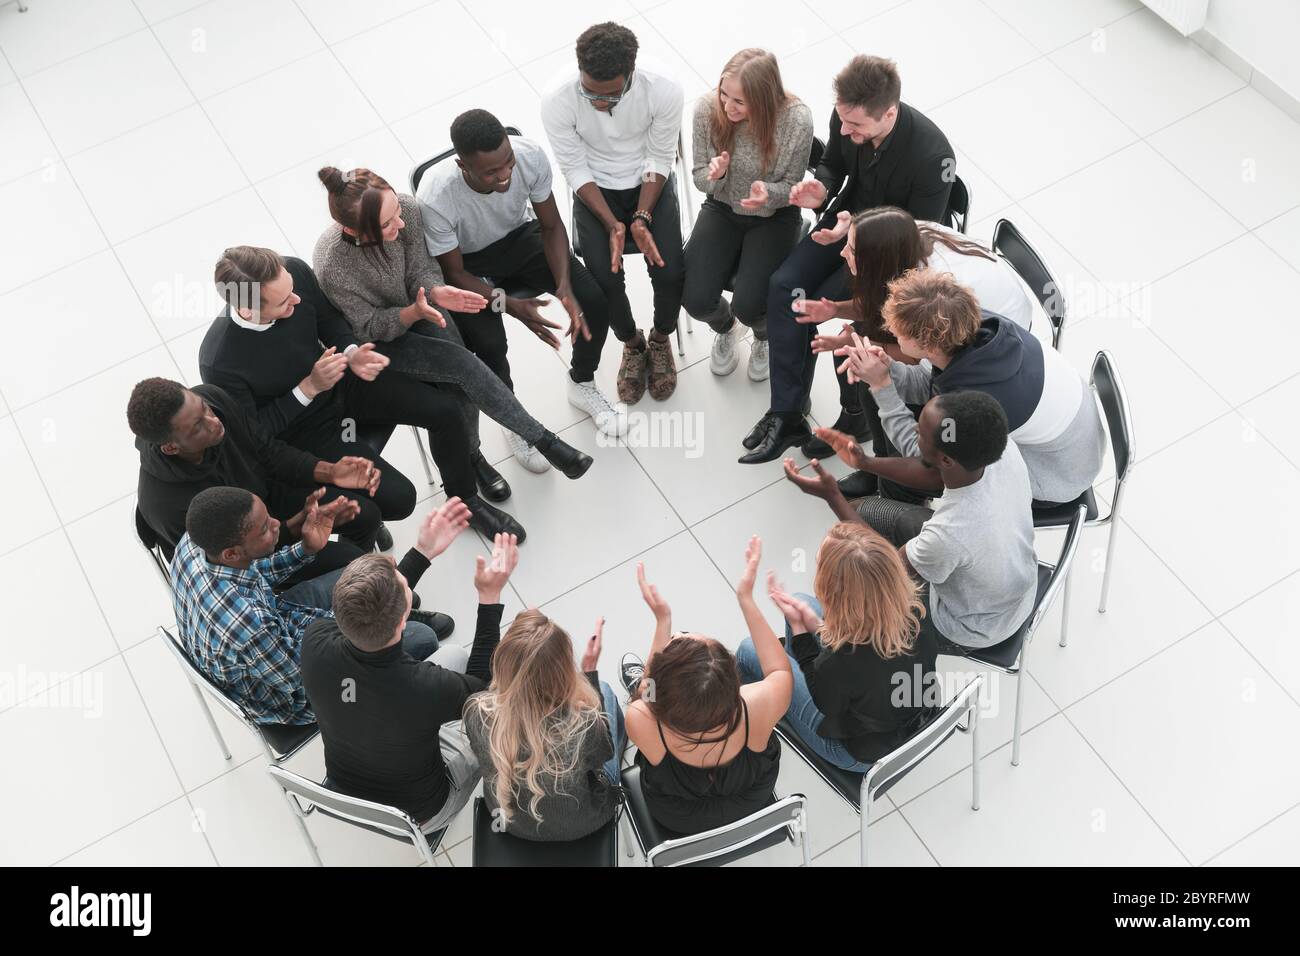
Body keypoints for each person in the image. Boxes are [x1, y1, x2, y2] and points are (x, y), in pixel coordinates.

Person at [201, 245, 523, 542]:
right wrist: (307, 388)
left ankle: (464, 502)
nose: (296, 301)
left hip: (343, 380)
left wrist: (352, 352)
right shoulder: (220, 361)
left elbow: (327, 318)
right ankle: (367, 525)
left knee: (446, 411)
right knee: (401, 500)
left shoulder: (294, 272)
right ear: (246, 309)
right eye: (284, 302)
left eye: (293, 291)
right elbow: (256, 437)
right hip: (304, 430)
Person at [312, 165, 592, 482]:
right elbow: (366, 327)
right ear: (354, 232)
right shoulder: (331, 263)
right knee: (460, 366)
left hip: (422, 305)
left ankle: (473, 456)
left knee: (458, 380)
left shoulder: (405, 209)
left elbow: (422, 269)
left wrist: (436, 291)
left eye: (398, 213)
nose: (400, 223)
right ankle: (538, 442)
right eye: (388, 224)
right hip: (378, 343)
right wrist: (412, 313)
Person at [740, 55, 955, 464]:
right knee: (785, 288)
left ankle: (854, 414)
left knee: (847, 321)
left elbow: (917, 234)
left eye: (855, 126)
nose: (843, 130)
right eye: (842, 120)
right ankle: (787, 413)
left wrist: (855, 231)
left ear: (889, 113)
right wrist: (820, 187)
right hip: (840, 222)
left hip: (888, 252)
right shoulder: (847, 115)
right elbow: (833, 163)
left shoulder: (932, 156)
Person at [418, 108, 626, 440]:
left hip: (519, 238)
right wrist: (511, 306)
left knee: (593, 300)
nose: (505, 176)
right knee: (489, 343)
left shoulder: (528, 155)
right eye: (491, 172)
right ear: (463, 166)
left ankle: (581, 380)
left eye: (508, 163)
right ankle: (513, 418)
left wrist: (563, 287)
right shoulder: (435, 196)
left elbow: (551, 225)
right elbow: (454, 273)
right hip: (468, 264)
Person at [169, 487, 453, 725]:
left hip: (277, 620)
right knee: (421, 638)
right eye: (265, 529)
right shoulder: (249, 626)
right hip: (298, 692)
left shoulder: (195, 542)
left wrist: (306, 548)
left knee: (358, 572)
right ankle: (393, 622)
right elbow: (305, 678)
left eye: (269, 516)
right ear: (231, 552)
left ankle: (395, 612)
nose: (278, 525)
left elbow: (253, 575)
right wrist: (368, 616)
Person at [797, 206, 1041, 480]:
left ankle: (888, 472)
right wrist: (836, 311)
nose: (843, 253)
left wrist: (881, 380)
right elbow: (883, 308)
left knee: (881, 376)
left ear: (877, 258)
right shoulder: (902, 240)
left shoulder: (931, 298)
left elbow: (919, 358)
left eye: (852, 249)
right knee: (864, 353)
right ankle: (865, 433)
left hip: (995, 328)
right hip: (973, 325)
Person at [301, 529, 520, 834]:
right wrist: (489, 597)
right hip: (421, 814)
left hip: (347, 791)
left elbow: (372, 611)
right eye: (404, 583)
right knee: (498, 718)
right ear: (405, 621)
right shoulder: (424, 687)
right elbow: (482, 690)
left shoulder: (314, 641)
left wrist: (421, 553)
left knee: (453, 654)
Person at [784, 390, 1038, 650]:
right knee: (861, 512)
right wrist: (865, 462)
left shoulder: (949, 533)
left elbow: (883, 570)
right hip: (1013, 583)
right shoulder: (999, 448)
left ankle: (820, 650)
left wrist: (832, 496)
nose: (916, 428)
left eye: (921, 433)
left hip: (970, 626)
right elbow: (934, 475)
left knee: (856, 579)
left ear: (946, 459)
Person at [836, 269, 1104, 506]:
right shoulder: (970, 323)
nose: (891, 334)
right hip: (1073, 442)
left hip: (1055, 477)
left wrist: (882, 385)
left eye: (898, 333)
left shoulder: (969, 400)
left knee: (912, 470)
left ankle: (901, 520)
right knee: (896, 407)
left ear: (926, 346)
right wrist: (889, 370)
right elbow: (931, 381)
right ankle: (885, 482)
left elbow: (927, 462)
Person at [541, 21, 686, 404]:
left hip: (649, 182)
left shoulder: (664, 88)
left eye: (610, 95)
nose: (599, 102)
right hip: (595, 191)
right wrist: (612, 223)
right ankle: (632, 343)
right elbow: (574, 168)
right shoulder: (557, 99)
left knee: (671, 271)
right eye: (590, 93)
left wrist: (641, 218)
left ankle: (659, 339)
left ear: (631, 74)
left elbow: (659, 155)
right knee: (603, 281)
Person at [129, 377, 382, 584]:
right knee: (353, 562)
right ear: (172, 448)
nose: (214, 421)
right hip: (251, 557)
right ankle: (363, 593)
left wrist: (332, 472)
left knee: (366, 517)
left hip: (266, 503)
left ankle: (362, 585)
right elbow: (231, 567)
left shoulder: (213, 399)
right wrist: (294, 528)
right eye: (197, 427)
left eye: (203, 407)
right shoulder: (167, 506)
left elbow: (268, 452)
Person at [621, 537, 792, 834]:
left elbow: (645, 696)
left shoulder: (643, 720)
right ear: (735, 681)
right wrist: (746, 598)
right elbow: (778, 668)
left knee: (639, 694)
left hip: (679, 819)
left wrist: (662, 623)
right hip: (751, 803)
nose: (680, 633)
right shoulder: (758, 703)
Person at [735, 523, 939, 771]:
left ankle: (752, 730)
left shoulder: (839, 662)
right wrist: (813, 625)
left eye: (820, 565)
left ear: (836, 593)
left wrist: (802, 636)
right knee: (800, 602)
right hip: (915, 718)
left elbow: (826, 702)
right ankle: (786, 667)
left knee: (748, 651)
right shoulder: (921, 614)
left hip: (861, 754)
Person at [683, 48, 813, 382]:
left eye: (739, 102)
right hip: (723, 207)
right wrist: (715, 175)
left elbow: (794, 187)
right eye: (723, 94)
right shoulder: (707, 109)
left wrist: (768, 194)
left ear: (766, 99)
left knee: (751, 304)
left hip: (775, 216)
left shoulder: (796, 120)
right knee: (693, 299)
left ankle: (764, 336)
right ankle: (727, 327)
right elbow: (700, 179)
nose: (727, 107)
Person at [462, 609, 624, 842]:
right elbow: (603, 755)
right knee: (605, 692)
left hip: (509, 820)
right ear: (564, 672)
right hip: (582, 823)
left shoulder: (476, 711)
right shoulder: (584, 723)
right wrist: (590, 677)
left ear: (503, 664)